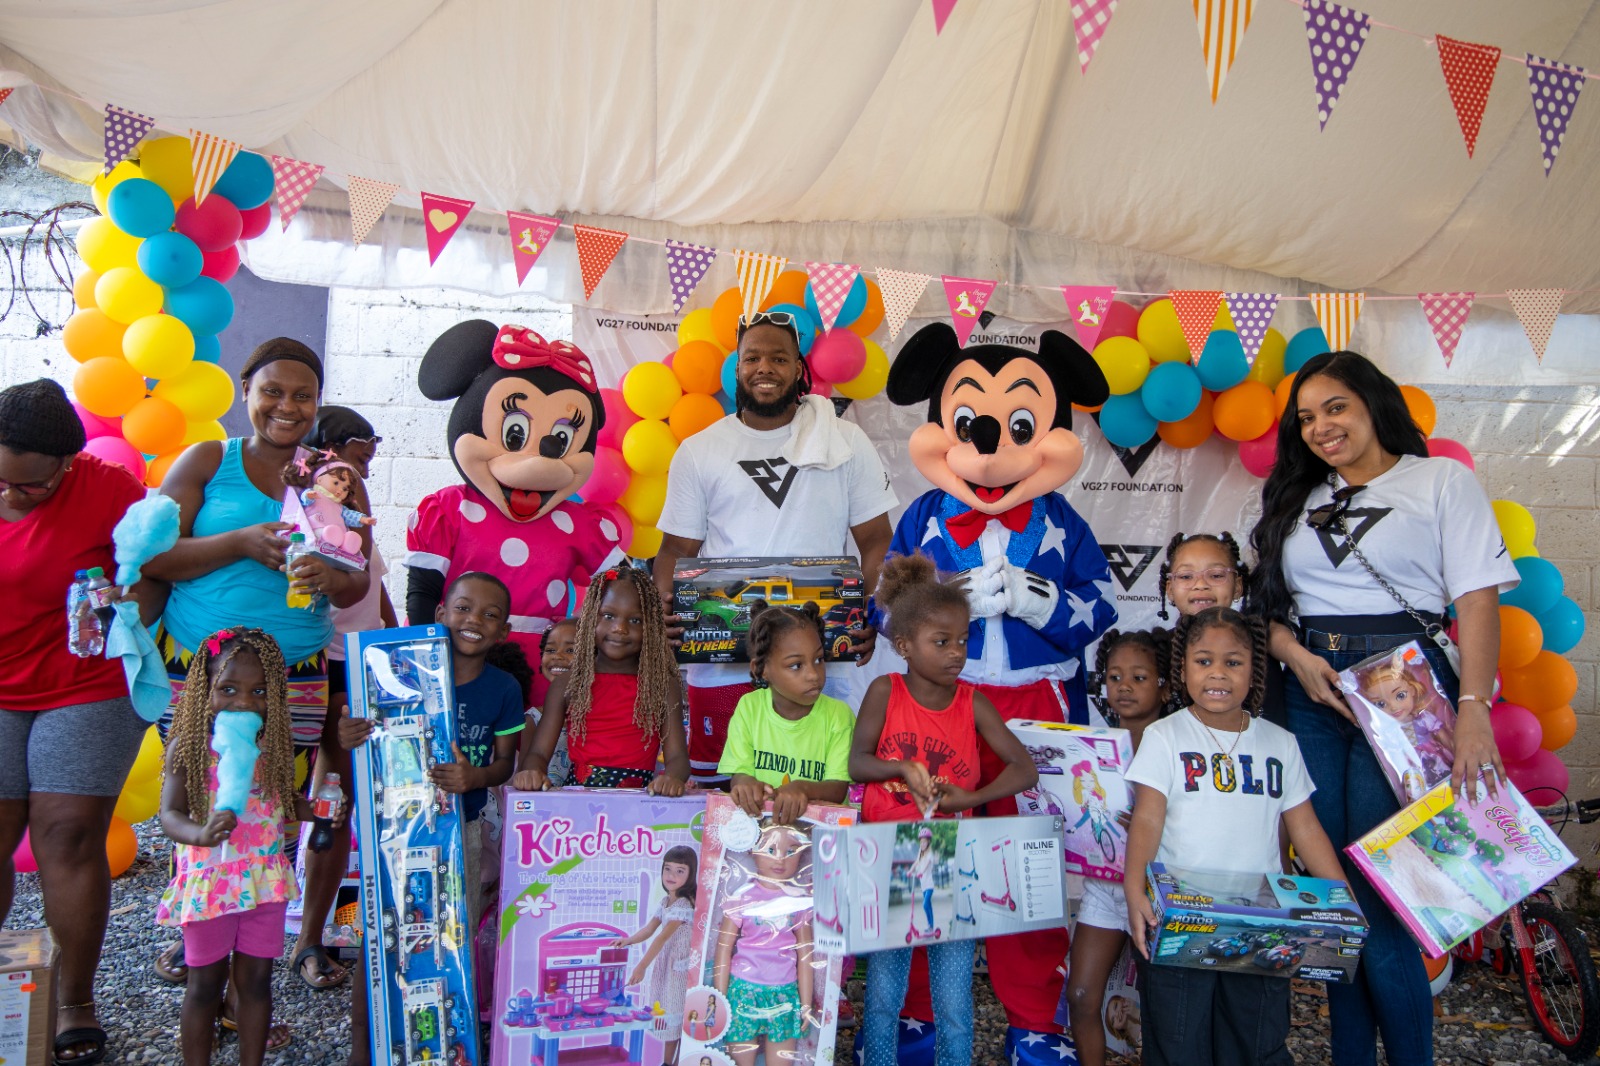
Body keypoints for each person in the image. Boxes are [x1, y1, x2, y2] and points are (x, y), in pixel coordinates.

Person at [1248, 351, 1517, 1066]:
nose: (1320, 427)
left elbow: (1478, 603)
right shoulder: (1296, 497)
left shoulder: (1440, 482)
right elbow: (1265, 611)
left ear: (1372, 403)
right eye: (1306, 417)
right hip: (1312, 694)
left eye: (1335, 407)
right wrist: (1298, 657)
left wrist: (1472, 711)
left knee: (1384, 895)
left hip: (1402, 693)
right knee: (1335, 898)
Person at [880, 323, 1116, 1058]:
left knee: (1032, 863)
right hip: (941, 708)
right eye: (971, 424)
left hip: (1036, 711)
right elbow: (883, 608)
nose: (989, 447)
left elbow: (1101, 607)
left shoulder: (1062, 522)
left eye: (1019, 425)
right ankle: (915, 1015)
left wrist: (1039, 599)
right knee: (928, 853)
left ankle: (1035, 1024)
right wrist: (946, 597)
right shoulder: (922, 517)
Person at [145, 339, 369, 1004]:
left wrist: (330, 572)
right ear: (247, 391)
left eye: (303, 395)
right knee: (195, 796)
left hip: (294, 675)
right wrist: (238, 543)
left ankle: (255, 940)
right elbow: (151, 554)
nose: (287, 406)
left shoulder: (332, 479)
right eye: (273, 390)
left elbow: (356, 582)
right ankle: (199, 931)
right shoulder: (210, 460)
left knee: (269, 807)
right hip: (202, 672)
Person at [654, 310, 896, 787]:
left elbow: (876, 540)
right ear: (737, 368)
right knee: (725, 800)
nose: (765, 368)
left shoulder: (845, 441)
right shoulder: (700, 450)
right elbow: (673, 549)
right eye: (753, 358)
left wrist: (865, 612)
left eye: (779, 358)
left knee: (819, 796)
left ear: (799, 369)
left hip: (820, 662)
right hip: (722, 660)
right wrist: (671, 608)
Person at [0, 378, 155, 1066]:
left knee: (65, 832)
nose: (12, 496)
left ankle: (74, 998)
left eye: (30, 487)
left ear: (66, 465)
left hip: (82, 680)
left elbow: (159, 569)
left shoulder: (109, 490)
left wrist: (136, 595)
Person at [1122, 607, 1346, 1066]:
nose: (1217, 674)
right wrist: (1133, 889)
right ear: (1182, 670)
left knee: (1256, 1038)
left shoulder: (1280, 742)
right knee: (1178, 1041)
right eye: (1203, 661)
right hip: (1181, 918)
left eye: (1233, 662)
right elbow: (1146, 820)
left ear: (1254, 669)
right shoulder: (1164, 737)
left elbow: (1304, 827)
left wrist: (1339, 899)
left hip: (1261, 923)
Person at [850, 552, 1039, 1066]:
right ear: (905, 646)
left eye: (962, 640)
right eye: (942, 642)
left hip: (955, 854)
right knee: (885, 990)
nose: (956, 652)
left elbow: (1024, 769)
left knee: (955, 998)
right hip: (890, 852)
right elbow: (856, 763)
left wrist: (971, 799)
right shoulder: (884, 691)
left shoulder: (973, 702)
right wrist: (900, 769)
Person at [338, 571, 523, 1065]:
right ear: (440, 614)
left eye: (489, 615)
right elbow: (361, 734)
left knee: (447, 941)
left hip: (458, 835)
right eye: (463, 608)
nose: (473, 621)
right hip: (391, 833)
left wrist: (475, 776)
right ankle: (366, 1048)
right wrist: (351, 732)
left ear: (504, 630)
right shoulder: (396, 673)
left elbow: (505, 764)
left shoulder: (503, 689)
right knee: (379, 941)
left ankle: (442, 1048)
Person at [156, 628, 316, 1066]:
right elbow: (169, 815)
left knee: (258, 982)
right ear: (203, 690)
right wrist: (200, 834)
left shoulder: (272, 750)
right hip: (211, 885)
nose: (244, 702)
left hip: (264, 882)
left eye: (258, 691)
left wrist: (316, 809)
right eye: (228, 689)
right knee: (204, 985)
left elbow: (281, 805)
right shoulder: (188, 750)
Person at [290, 404, 396, 996]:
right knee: (269, 799)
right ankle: (212, 930)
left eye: (372, 444)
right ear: (322, 449)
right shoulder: (307, 501)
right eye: (362, 443)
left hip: (360, 668)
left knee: (337, 803)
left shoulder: (352, 508)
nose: (367, 457)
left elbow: (372, 591)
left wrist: (398, 645)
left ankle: (310, 937)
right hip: (312, 669)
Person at [1063, 628, 1170, 1066]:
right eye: (1114, 676)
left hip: (1159, 891)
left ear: (1166, 685)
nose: (1124, 687)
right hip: (1105, 888)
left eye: (1140, 678)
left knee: (1165, 1009)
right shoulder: (1095, 748)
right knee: (1082, 993)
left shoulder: (1176, 743)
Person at [512, 565, 689, 794]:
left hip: (639, 806)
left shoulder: (662, 686)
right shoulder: (567, 684)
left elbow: (677, 758)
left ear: (652, 627)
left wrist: (672, 778)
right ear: (589, 620)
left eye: (635, 620)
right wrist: (532, 772)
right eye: (608, 616)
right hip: (578, 808)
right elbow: (537, 754)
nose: (620, 628)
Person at [721, 602, 853, 823]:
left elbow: (837, 789)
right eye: (796, 665)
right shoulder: (749, 708)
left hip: (820, 832)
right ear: (761, 670)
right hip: (762, 831)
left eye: (819, 659)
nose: (813, 674)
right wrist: (745, 785)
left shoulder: (839, 716)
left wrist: (802, 788)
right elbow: (739, 775)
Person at [713, 823, 817, 1066]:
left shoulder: (799, 901)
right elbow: (724, 949)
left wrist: (806, 1003)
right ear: (752, 850)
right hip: (742, 991)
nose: (780, 859)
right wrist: (720, 998)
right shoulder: (742, 896)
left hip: (785, 992)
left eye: (791, 850)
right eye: (770, 849)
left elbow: (806, 954)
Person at [611, 845, 698, 1064]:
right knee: (665, 1008)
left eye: (680, 871)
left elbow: (661, 938)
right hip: (667, 962)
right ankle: (670, 1062)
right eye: (667, 869)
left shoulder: (683, 905)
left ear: (690, 875)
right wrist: (629, 940)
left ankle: (671, 1062)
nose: (671, 875)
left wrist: (641, 967)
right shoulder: (665, 902)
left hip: (678, 966)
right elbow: (650, 929)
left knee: (674, 1012)